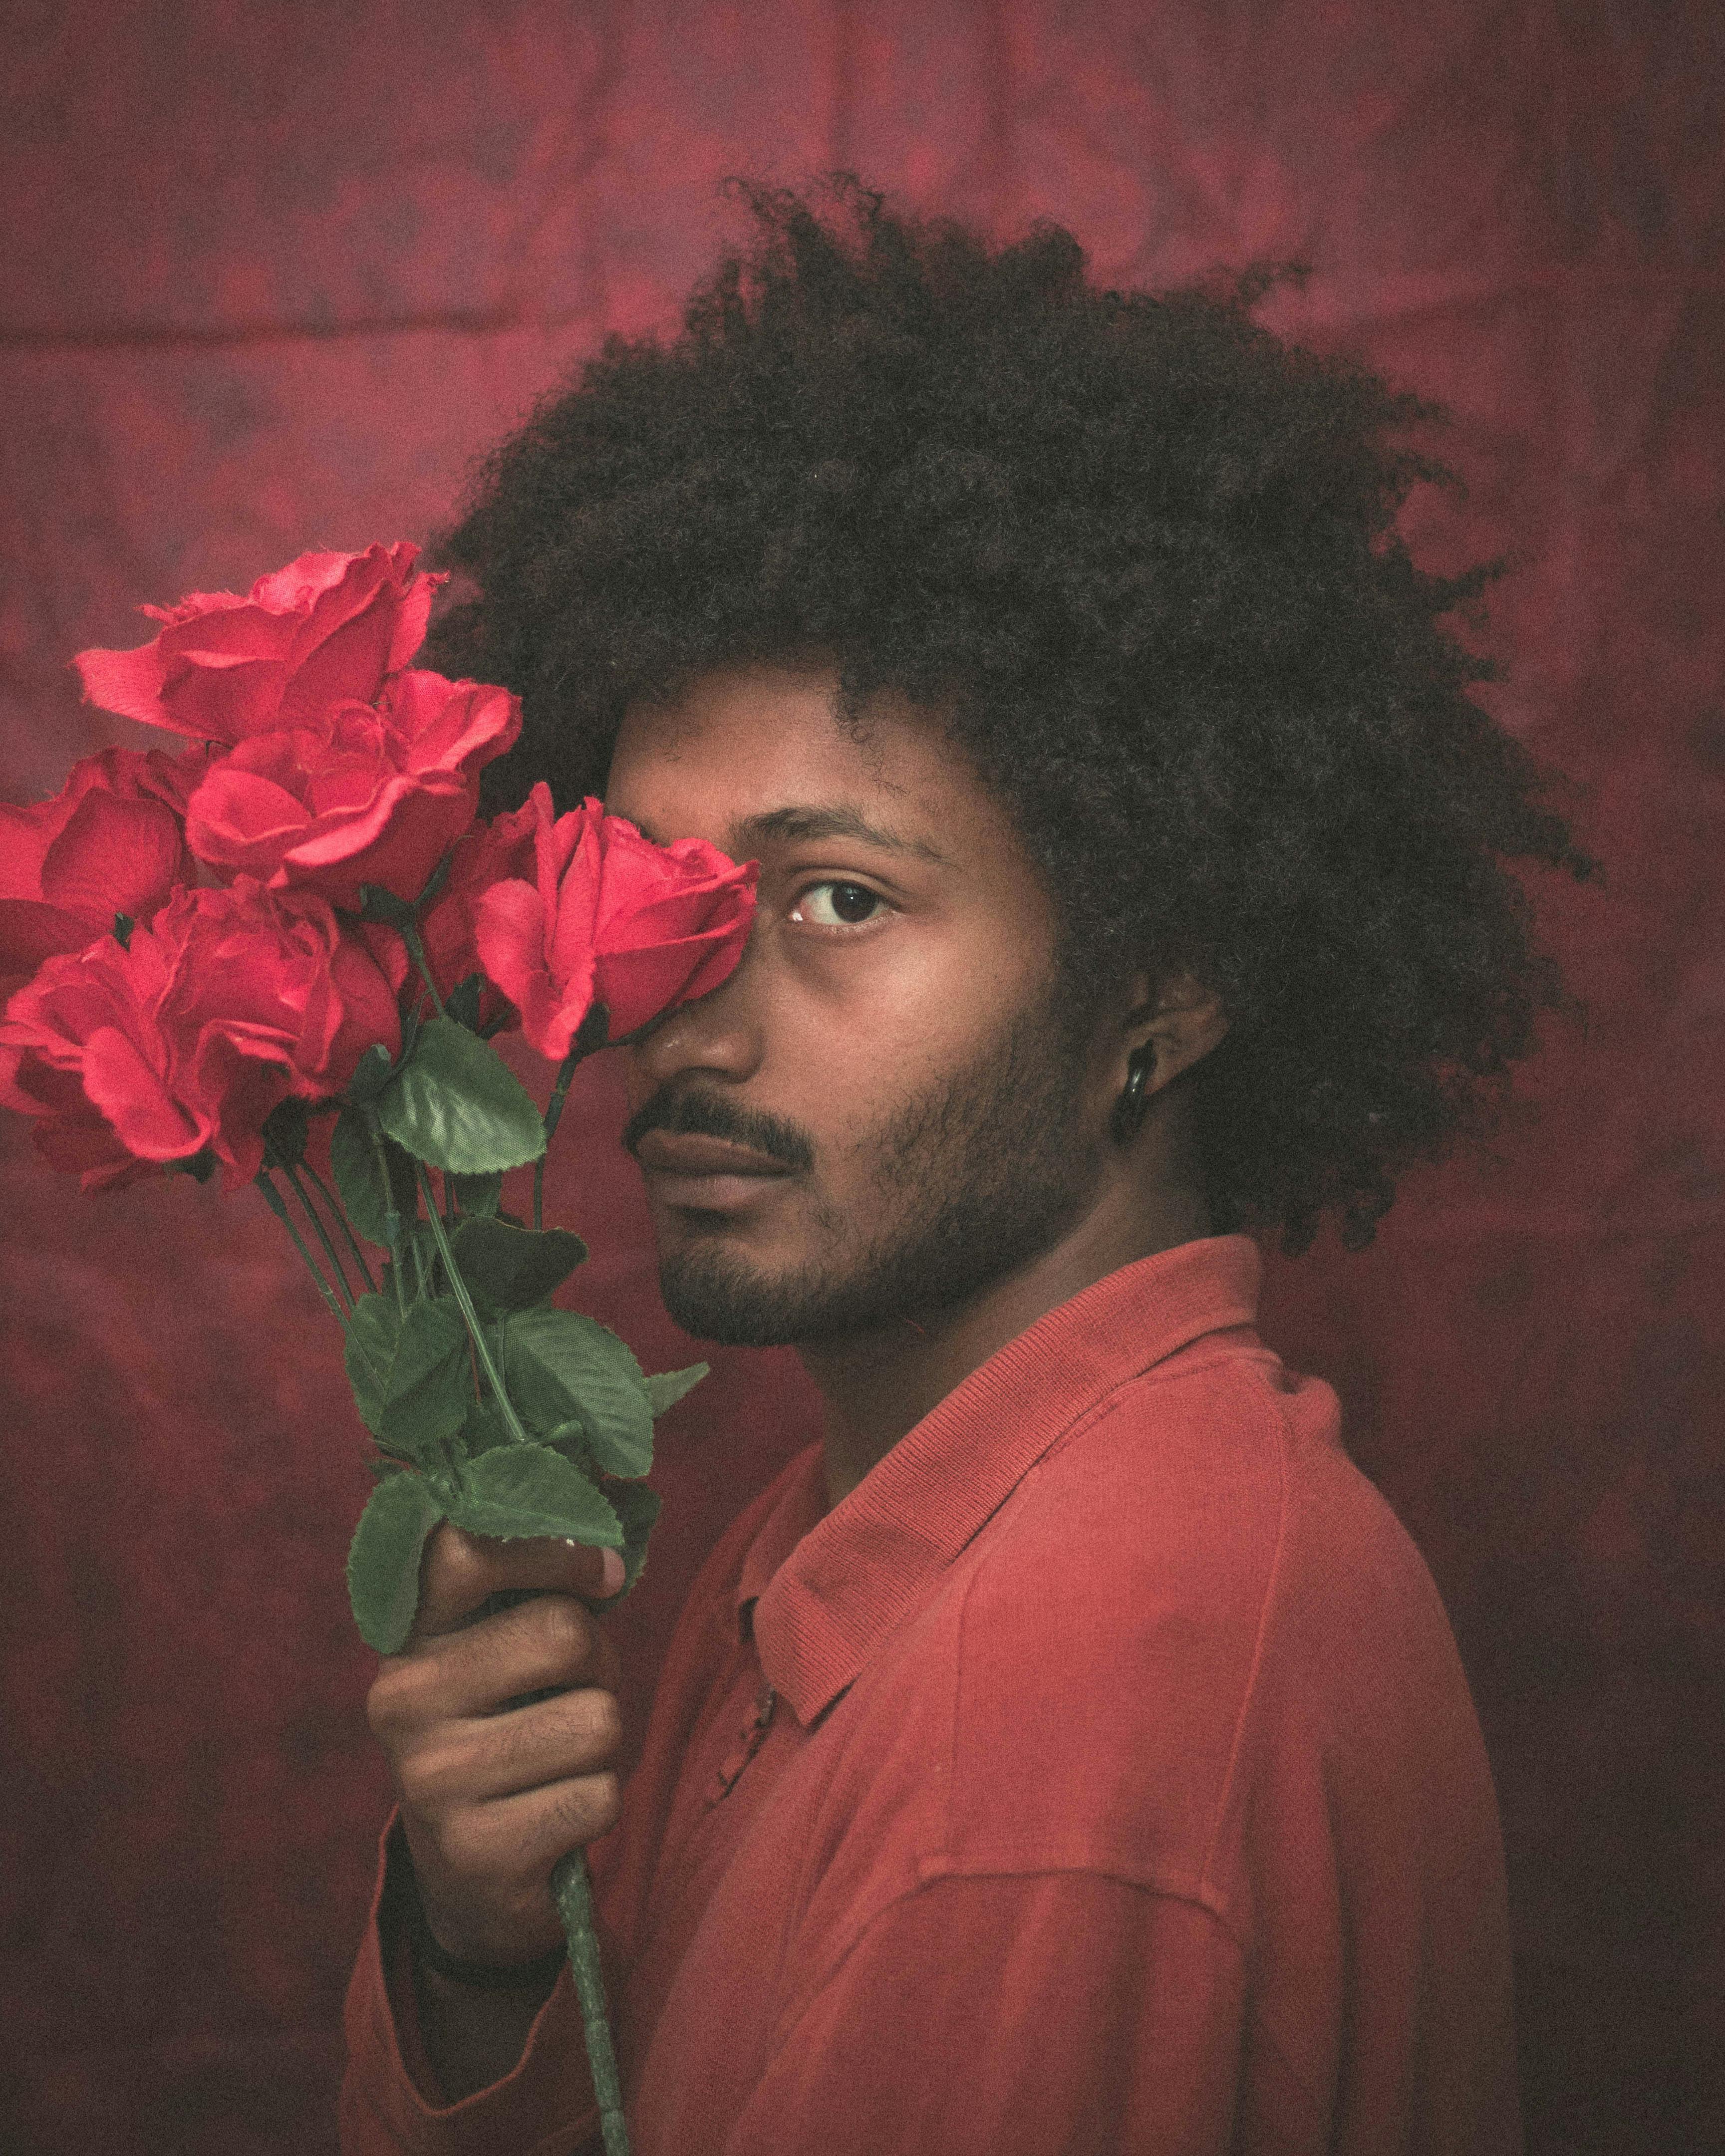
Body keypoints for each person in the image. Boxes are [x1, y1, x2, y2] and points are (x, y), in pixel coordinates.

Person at [340, 180, 1589, 2154]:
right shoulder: (863, 1529)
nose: (692, 1013)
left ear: (1164, 989)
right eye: (659, 898)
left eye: (837, 897)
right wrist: (493, 1959)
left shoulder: (1065, 1715)